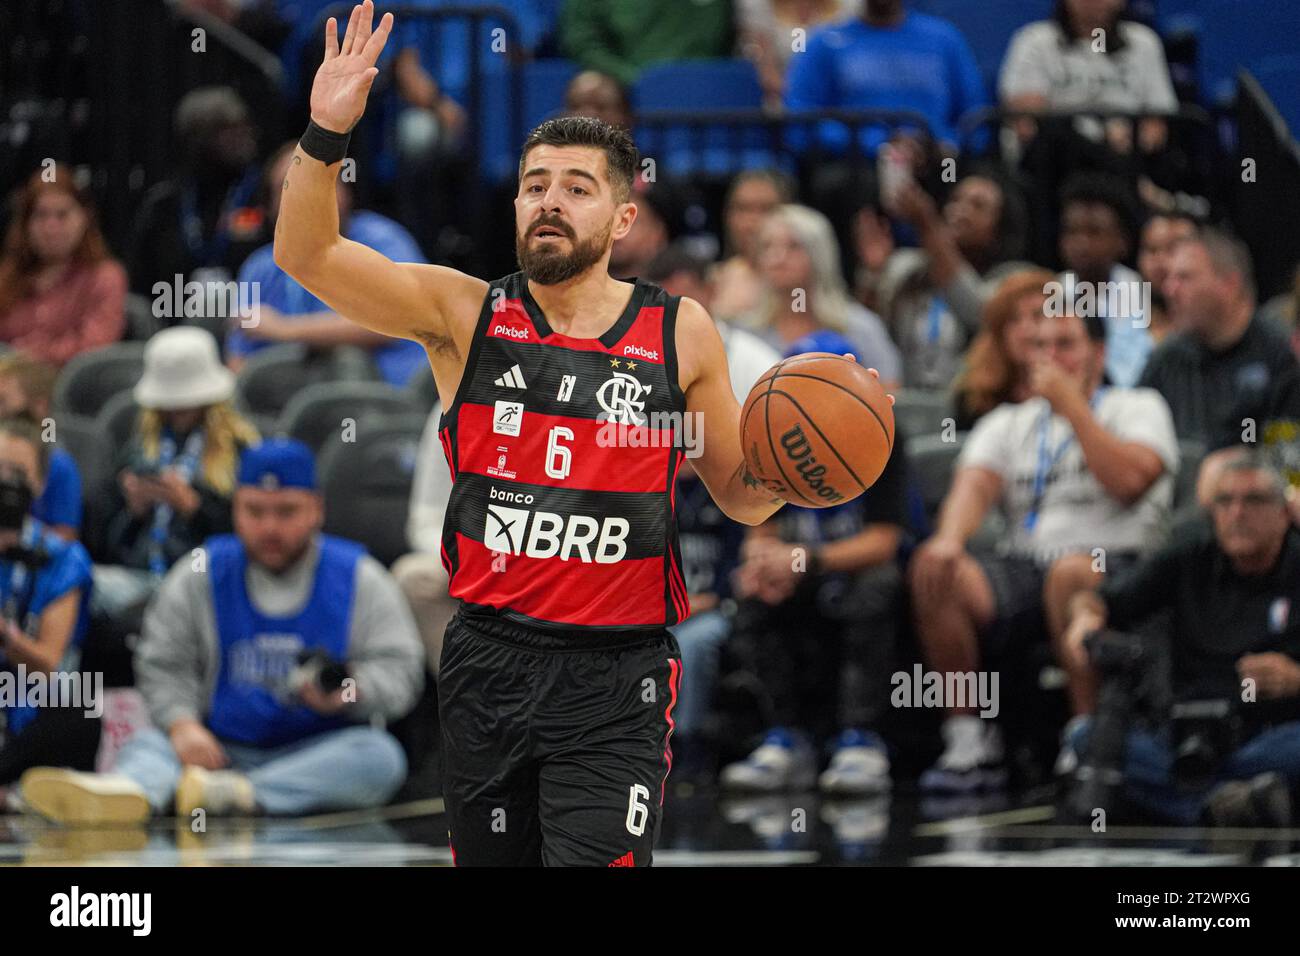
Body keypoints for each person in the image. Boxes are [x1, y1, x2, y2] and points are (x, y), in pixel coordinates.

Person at [271, 2, 892, 866]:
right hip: (488, 658)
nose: (549, 203)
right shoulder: (463, 312)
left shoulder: (681, 331)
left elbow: (742, 499)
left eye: (576, 187)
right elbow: (306, 256)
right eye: (534, 185)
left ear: (623, 217)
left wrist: (801, 466)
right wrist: (326, 132)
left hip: (616, 675)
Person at [20, 439, 423, 823]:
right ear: (235, 510)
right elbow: (163, 664)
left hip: (315, 749)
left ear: (316, 509)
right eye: (254, 511)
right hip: (212, 749)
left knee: (380, 756)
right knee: (149, 744)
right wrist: (182, 725)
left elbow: (402, 673)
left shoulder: (361, 577)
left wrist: (350, 692)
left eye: (286, 512)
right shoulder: (199, 573)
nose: (269, 527)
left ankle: (233, 794)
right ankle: (127, 793)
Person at [909, 307, 1177, 792]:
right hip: (1027, 562)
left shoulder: (1138, 406)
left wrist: (1074, 408)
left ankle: (1087, 739)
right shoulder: (1010, 421)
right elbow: (974, 486)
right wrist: (948, 541)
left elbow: (1131, 482)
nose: (1050, 357)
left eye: (1065, 344)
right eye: (1040, 346)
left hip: (1115, 562)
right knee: (936, 568)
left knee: (1071, 573)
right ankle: (968, 738)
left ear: (1099, 352)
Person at [1060, 452, 1300, 827]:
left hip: (1271, 734)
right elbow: (1099, 599)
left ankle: (1201, 804)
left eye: (1253, 501)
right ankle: (1229, 806)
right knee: (1086, 736)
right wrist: (1084, 618)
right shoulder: (1189, 556)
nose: (1237, 513)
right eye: (1225, 501)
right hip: (1184, 739)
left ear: (1284, 513)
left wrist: (1295, 678)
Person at [720, 329, 907, 795]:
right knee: (752, 591)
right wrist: (762, 562)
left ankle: (860, 741)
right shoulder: (771, 430)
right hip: (803, 570)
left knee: (876, 587)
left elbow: (884, 541)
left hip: (858, 570)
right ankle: (786, 739)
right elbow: (758, 526)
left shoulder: (883, 433)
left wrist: (802, 558)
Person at [227, 141, 430, 387]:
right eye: (287, 187)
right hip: (294, 404)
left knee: (348, 361)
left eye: (320, 182)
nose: (306, 195)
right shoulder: (259, 268)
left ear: (344, 192)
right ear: (270, 205)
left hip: (389, 398)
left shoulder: (383, 241)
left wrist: (285, 329)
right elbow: (238, 363)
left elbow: (397, 321)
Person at [96, 328, 260, 624]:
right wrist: (134, 512)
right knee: (80, 582)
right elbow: (100, 538)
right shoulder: (137, 447)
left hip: (209, 584)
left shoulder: (243, 449)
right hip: (138, 577)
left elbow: (253, 537)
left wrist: (194, 508)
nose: (177, 408)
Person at [1140, 230, 1298, 468]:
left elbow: (1290, 460)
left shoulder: (1280, 356)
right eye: (1169, 278)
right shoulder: (1167, 358)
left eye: (1184, 277)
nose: (1170, 290)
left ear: (1229, 283)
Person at [0, 417, 96, 795]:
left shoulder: (63, 558)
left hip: (26, 691)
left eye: (18, 473)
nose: (6, 484)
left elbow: (47, 667)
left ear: (39, 485)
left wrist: (8, 636)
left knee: (79, 709)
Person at [874, 171, 1032, 388]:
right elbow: (877, 335)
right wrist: (874, 273)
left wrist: (926, 225)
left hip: (972, 411)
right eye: (956, 200)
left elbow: (978, 312)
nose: (961, 211)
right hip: (905, 406)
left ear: (1002, 227)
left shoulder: (1013, 278)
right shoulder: (910, 269)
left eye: (978, 206)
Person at [783, 0, 987, 158]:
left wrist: (947, 143)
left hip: (939, 160)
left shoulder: (944, 39)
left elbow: (974, 112)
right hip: (856, 163)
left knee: (963, 184)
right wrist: (877, 143)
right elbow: (802, 117)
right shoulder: (825, 42)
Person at [737, 203, 902, 388]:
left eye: (793, 246)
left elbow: (891, 395)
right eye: (767, 247)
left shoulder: (860, 328)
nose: (777, 257)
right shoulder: (745, 332)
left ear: (819, 255)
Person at [126, 87, 265, 296]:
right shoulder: (165, 204)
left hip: (255, 315)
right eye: (228, 129)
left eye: (245, 125)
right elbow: (140, 280)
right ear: (197, 138)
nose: (243, 136)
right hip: (173, 315)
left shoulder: (266, 193)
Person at [0, 164, 126, 366]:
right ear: (26, 224)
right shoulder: (8, 275)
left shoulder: (105, 277)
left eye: (62, 215)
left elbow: (94, 351)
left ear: (84, 217)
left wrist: (34, 355)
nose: (51, 227)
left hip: (72, 391)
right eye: (41, 215)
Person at [1056, 173, 1152, 387]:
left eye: (1094, 232)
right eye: (1072, 231)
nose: (1081, 242)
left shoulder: (1139, 290)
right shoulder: (1054, 290)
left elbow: (1134, 370)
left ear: (1122, 242)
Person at [389, 405, 459, 679]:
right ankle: (476, 695)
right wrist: (468, 558)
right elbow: (425, 519)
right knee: (413, 578)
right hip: (475, 558)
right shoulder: (453, 400)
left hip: (558, 556)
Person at [951, 269, 1056, 430]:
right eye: (1014, 320)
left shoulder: (1087, 385)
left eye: (1038, 315)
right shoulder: (972, 398)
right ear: (999, 333)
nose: (1027, 331)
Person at [0, 353, 82, 541]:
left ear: (40, 406)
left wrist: (19, 530)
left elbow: (65, 538)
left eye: (2, 402)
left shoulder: (58, 464)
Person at [560, 0, 735, 88]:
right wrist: (634, 79)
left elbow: (737, 37)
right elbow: (583, 42)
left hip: (711, 95)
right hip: (631, 96)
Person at [709, 170, 796, 326]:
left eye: (766, 209)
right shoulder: (710, 282)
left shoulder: (802, 286)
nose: (752, 222)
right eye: (743, 209)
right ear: (728, 217)